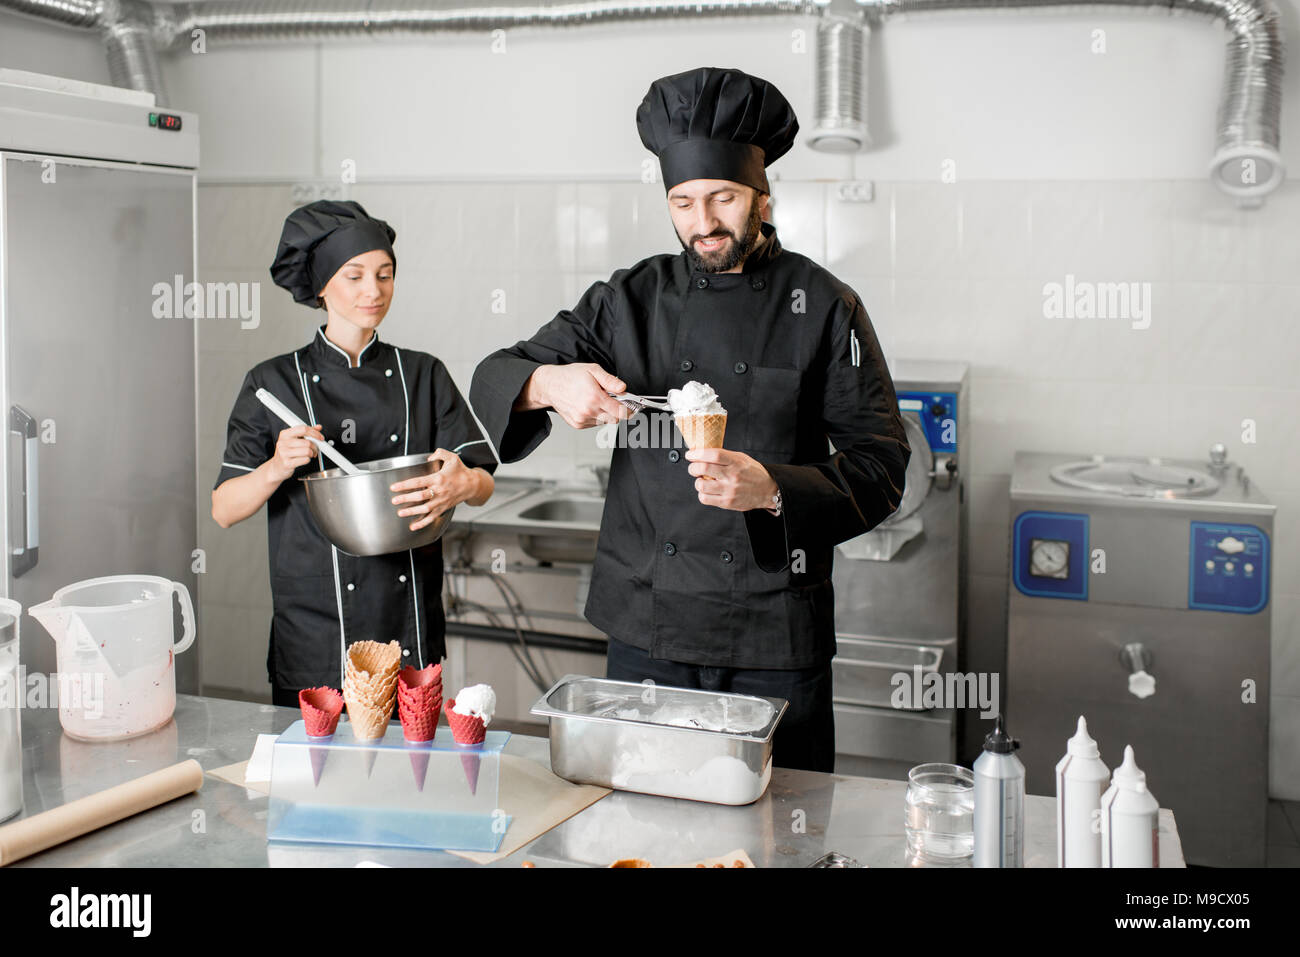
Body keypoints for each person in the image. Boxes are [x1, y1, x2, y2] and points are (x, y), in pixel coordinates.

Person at [469, 67, 909, 772]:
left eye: (723, 198)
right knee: (642, 818)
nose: (702, 223)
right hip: (647, 629)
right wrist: (550, 382)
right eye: (682, 202)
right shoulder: (628, 299)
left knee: (779, 825)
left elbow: (883, 466)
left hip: (773, 639)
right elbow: (496, 373)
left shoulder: (825, 306)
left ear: (763, 195)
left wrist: (770, 488)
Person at [212, 200, 496, 706]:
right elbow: (224, 510)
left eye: (385, 275)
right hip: (315, 630)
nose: (374, 290)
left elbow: (481, 481)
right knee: (313, 777)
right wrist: (278, 466)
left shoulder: (423, 374)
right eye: (355, 275)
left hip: (406, 620)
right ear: (322, 285)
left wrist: (464, 483)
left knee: (407, 774)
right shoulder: (272, 381)